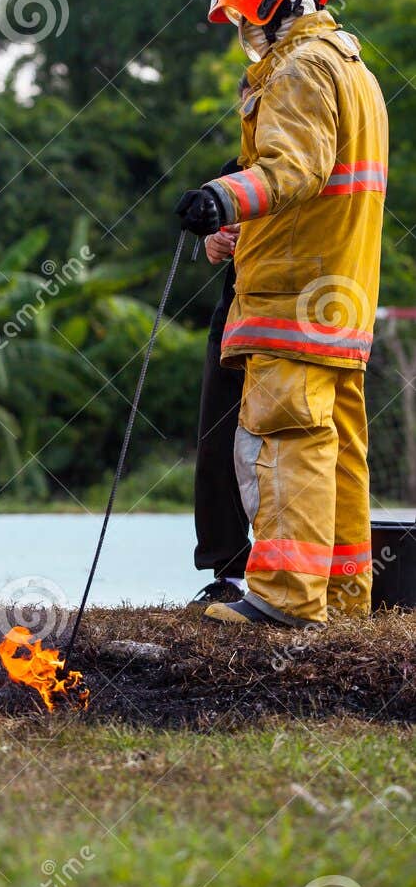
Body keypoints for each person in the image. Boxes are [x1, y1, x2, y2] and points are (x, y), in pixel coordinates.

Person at [175, 0, 389, 629]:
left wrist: (221, 197)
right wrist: (243, 230)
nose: (243, 32)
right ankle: (342, 597)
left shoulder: (299, 69)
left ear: (270, 3)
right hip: (340, 299)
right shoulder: (354, 69)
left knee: (285, 438)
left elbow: (294, 170)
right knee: (338, 452)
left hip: (291, 299)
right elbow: (322, 192)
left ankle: (285, 598)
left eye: (244, 17)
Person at [189, 167, 250, 606]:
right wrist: (214, 241)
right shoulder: (237, 169)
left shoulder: (308, 161)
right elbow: (215, 238)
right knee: (216, 448)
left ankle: (296, 574)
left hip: (297, 329)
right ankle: (227, 573)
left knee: (285, 455)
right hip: (232, 323)